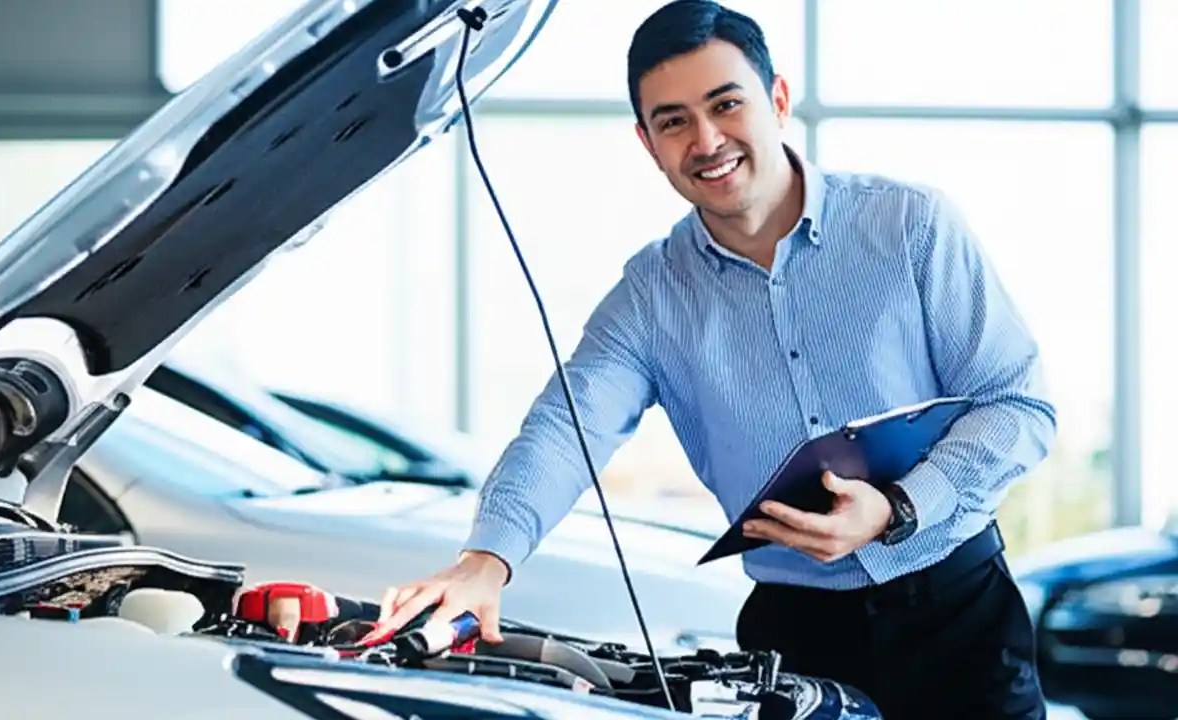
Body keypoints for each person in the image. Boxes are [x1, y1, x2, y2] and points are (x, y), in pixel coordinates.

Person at [372, 1, 1056, 717]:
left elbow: (1019, 405)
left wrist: (898, 508)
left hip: (959, 618)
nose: (706, 140)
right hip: (799, 639)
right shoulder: (649, 294)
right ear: (647, 142)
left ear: (778, 100)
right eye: (673, 121)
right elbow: (565, 429)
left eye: (726, 104)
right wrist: (487, 561)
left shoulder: (911, 224)